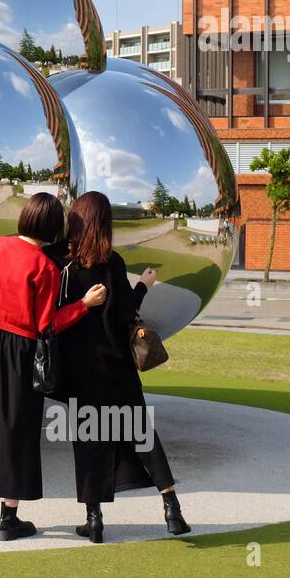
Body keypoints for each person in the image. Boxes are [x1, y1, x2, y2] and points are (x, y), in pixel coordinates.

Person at [0, 192, 106, 541]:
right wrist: (84, 304)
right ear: (54, 228)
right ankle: (9, 519)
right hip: (22, 350)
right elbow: (47, 323)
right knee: (17, 432)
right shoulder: (46, 268)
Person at [55, 191, 190, 543]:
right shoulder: (113, 262)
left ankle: (94, 519)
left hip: (83, 374)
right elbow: (127, 309)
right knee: (144, 436)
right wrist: (143, 285)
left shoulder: (66, 267)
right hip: (120, 370)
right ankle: (171, 507)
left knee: (89, 444)